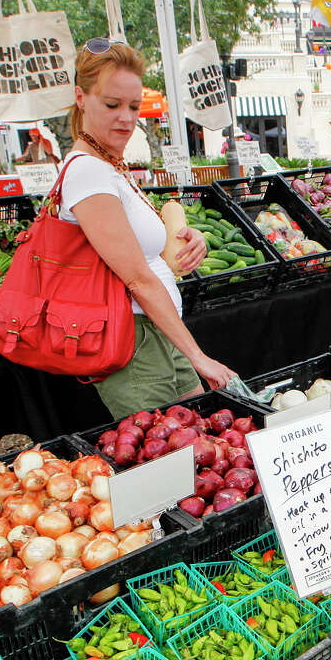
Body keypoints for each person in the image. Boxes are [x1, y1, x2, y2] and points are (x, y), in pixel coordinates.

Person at [60, 38, 237, 418]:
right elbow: (137, 279)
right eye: (112, 105)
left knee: (199, 445)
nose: (126, 117)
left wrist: (192, 237)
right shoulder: (87, 171)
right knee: (167, 460)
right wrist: (199, 356)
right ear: (80, 97)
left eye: (134, 106)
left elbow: (142, 249)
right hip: (132, 344)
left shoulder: (110, 166)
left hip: (161, 332)